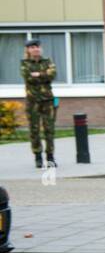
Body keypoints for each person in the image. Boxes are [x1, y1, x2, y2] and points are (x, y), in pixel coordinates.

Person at [21, 39, 56, 169]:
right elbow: (27, 77)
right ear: (28, 50)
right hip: (32, 101)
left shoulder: (47, 61)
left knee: (49, 130)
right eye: (32, 47)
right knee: (34, 130)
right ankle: (38, 157)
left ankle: (50, 157)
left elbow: (52, 75)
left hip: (48, 101)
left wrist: (38, 74)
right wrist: (44, 75)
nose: (36, 49)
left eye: (37, 47)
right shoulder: (25, 63)